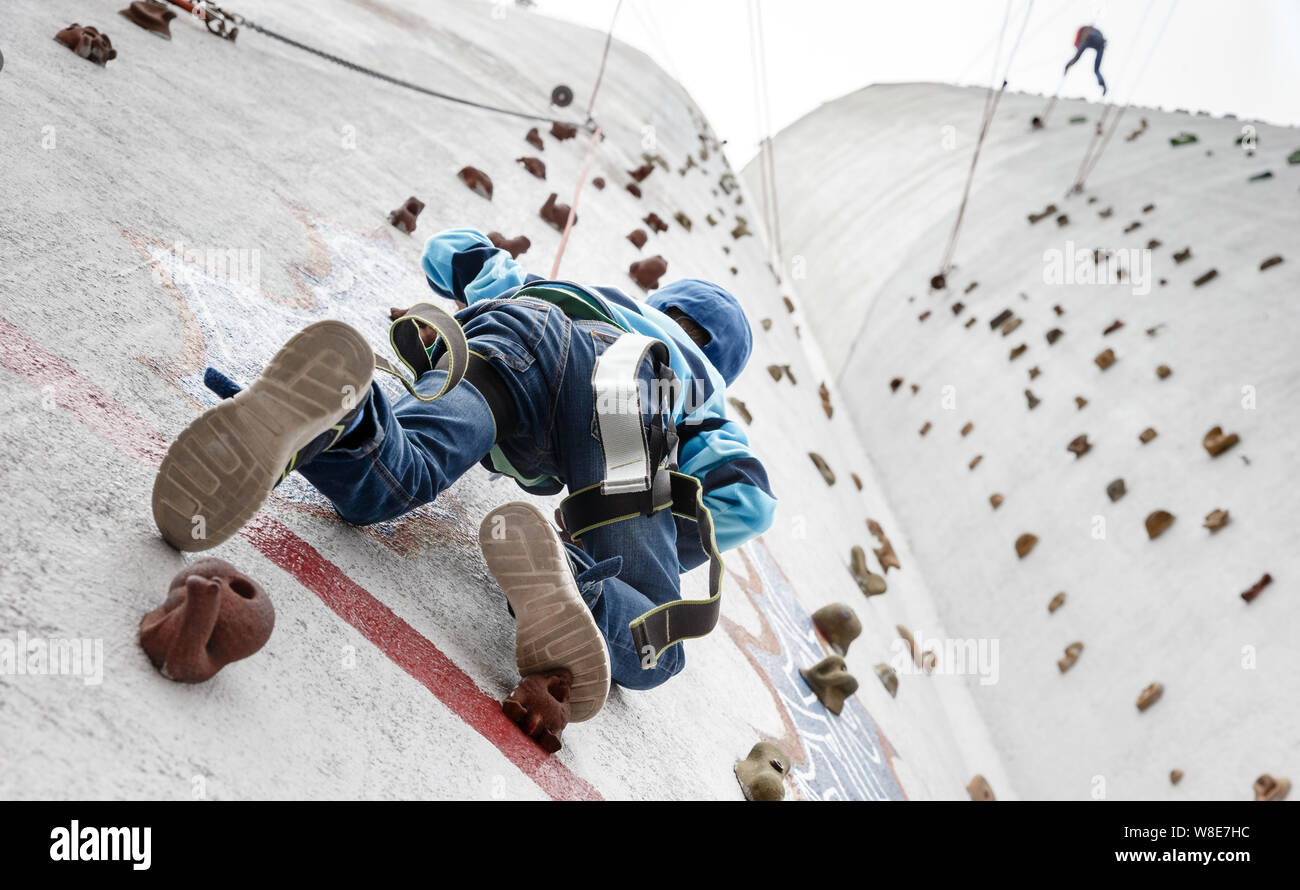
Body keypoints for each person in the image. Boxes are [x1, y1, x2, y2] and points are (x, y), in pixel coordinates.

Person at [151, 227, 777, 750]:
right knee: (658, 642)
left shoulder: (580, 289)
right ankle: (581, 579)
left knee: (397, 478)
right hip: (628, 391)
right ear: (723, 364)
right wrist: (662, 542)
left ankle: (342, 423)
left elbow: (450, 249)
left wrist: (491, 270)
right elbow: (745, 501)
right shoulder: (704, 385)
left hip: (523, 331)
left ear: (665, 302)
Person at [1064, 24, 1107, 94]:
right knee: (1096, 70)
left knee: (1076, 58)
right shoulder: (1094, 31)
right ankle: (1102, 84)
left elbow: (1076, 55)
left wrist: (1068, 65)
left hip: (1090, 39)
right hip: (1101, 43)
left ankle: (1067, 66)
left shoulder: (1083, 32)